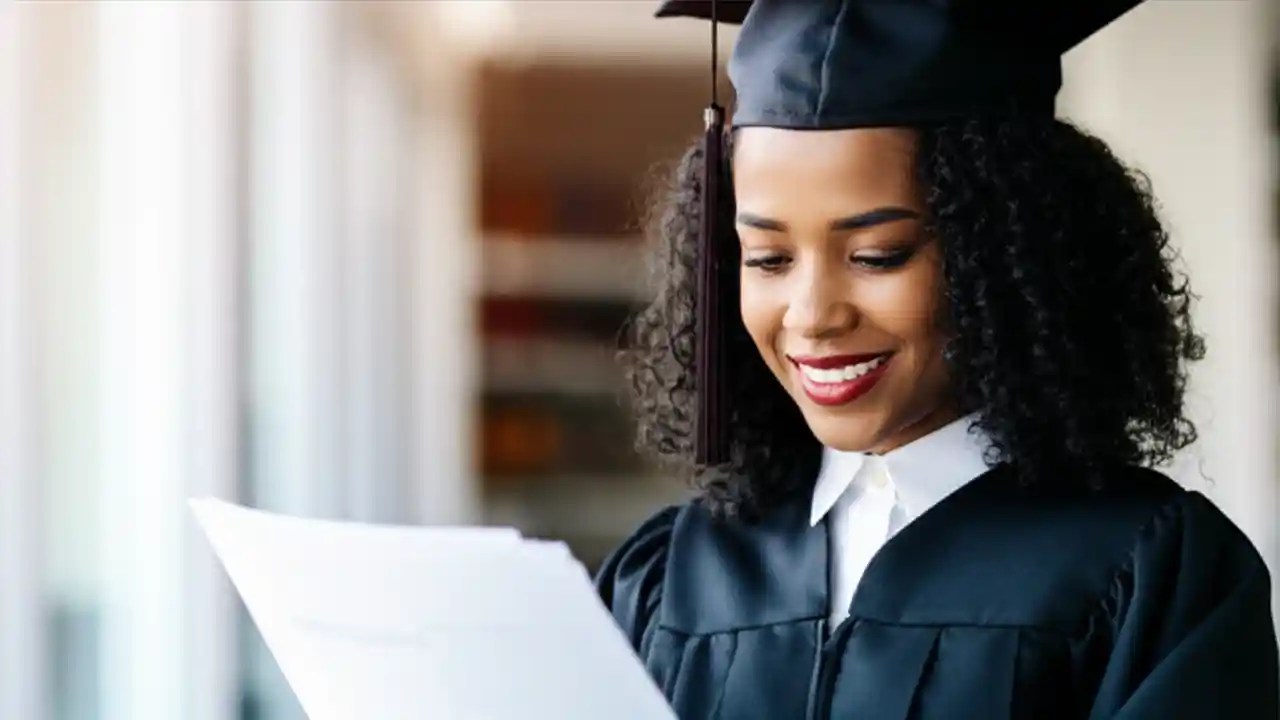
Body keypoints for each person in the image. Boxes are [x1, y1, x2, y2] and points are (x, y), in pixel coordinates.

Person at [595, 1, 1280, 718]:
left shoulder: (1147, 574)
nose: (813, 314)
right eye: (766, 258)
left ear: (1007, 256)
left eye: (877, 256)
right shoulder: (674, 575)